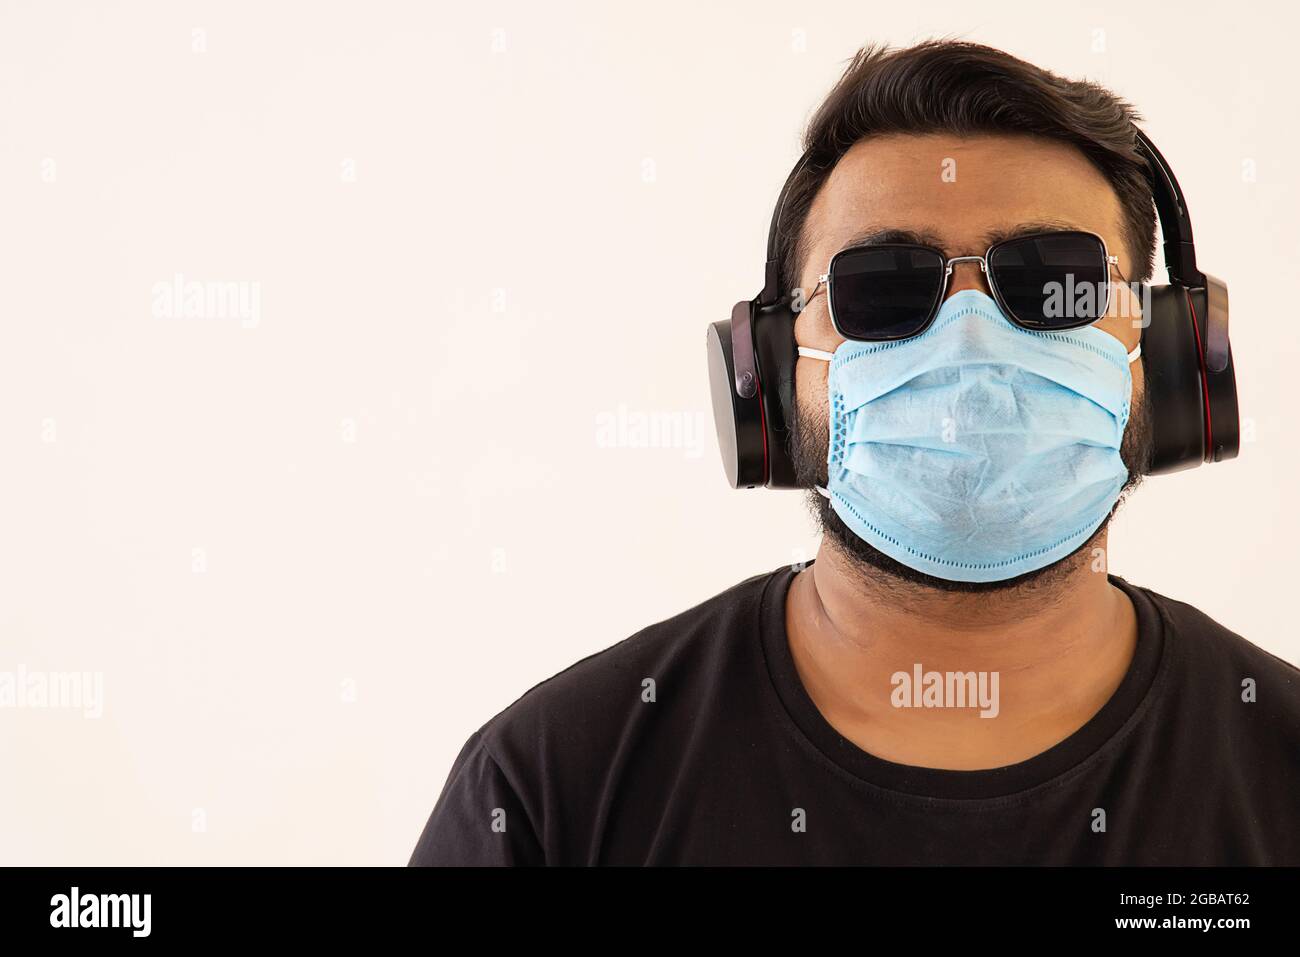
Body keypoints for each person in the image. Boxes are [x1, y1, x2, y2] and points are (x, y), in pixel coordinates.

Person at [410, 39, 1300, 865]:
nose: (971, 343)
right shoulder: (548, 792)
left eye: (1050, 283)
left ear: (1176, 359)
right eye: (882, 289)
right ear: (762, 373)